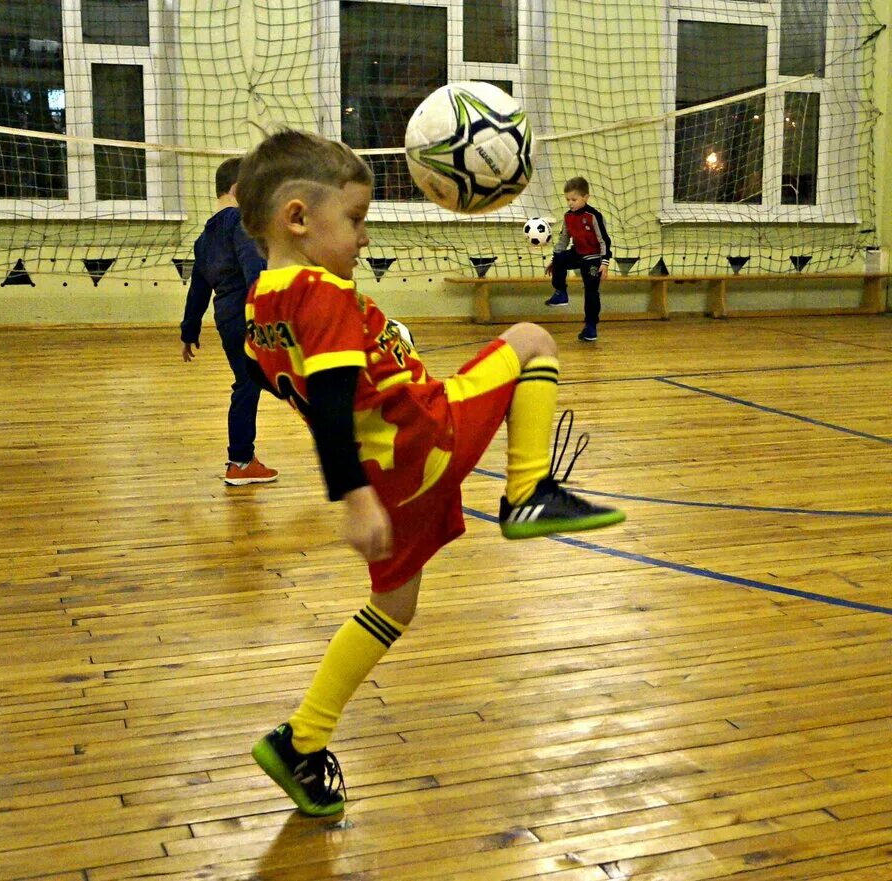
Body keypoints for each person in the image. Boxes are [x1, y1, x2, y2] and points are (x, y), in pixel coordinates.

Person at [236, 129, 626, 817]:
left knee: (393, 607)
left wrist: (383, 348)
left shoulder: (260, 310)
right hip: (424, 443)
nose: (362, 239)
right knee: (532, 342)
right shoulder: (319, 292)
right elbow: (328, 405)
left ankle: (303, 739)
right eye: (353, 220)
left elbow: (322, 386)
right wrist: (352, 498)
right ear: (298, 218)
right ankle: (529, 489)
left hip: (393, 481)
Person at [180, 157, 278, 485]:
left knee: (250, 382)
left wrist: (189, 330)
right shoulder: (241, 223)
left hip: (227, 321)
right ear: (239, 190)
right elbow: (255, 271)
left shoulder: (205, 237)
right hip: (250, 319)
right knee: (263, 382)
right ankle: (240, 461)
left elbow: (198, 288)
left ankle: (241, 458)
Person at [543, 176, 612, 343]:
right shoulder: (568, 217)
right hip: (578, 253)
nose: (570, 203)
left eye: (574, 199)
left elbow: (604, 240)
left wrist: (605, 262)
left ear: (585, 197)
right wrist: (556, 261)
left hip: (594, 258)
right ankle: (561, 293)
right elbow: (563, 240)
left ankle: (590, 327)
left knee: (591, 291)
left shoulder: (593, 216)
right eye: (568, 199)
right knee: (559, 257)